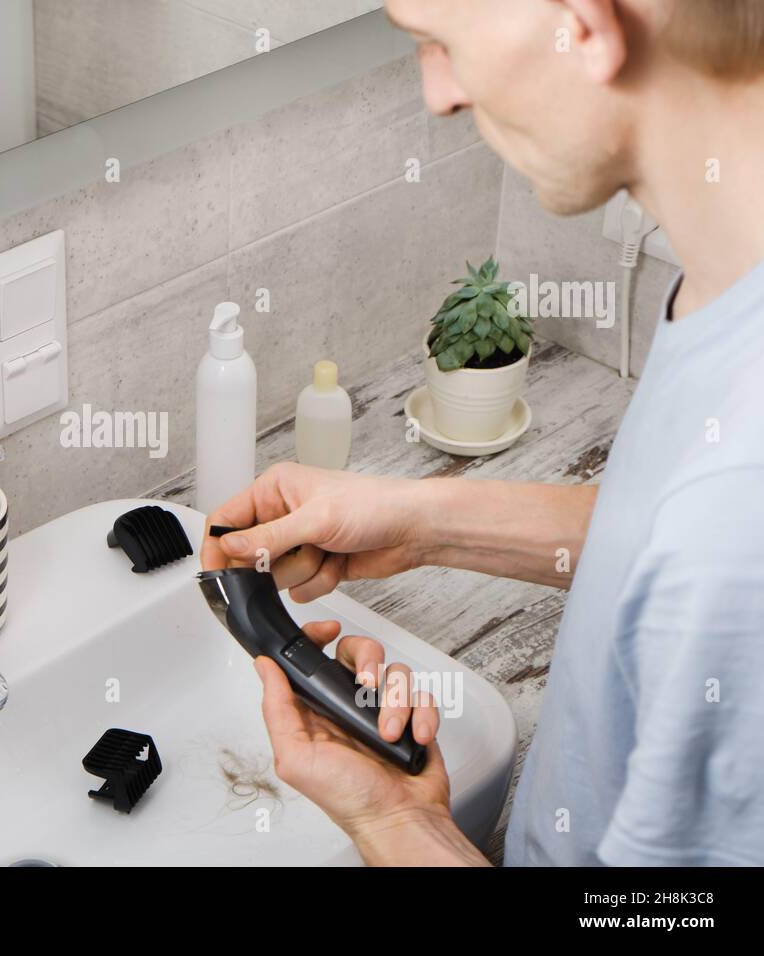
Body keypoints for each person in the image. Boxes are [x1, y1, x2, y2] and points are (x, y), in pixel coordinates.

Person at [202, 0, 764, 866]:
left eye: (438, 41)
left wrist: (402, 829)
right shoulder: (729, 285)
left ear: (585, 22)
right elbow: (661, 543)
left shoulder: (734, 519)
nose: (439, 93)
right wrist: (429, 521)